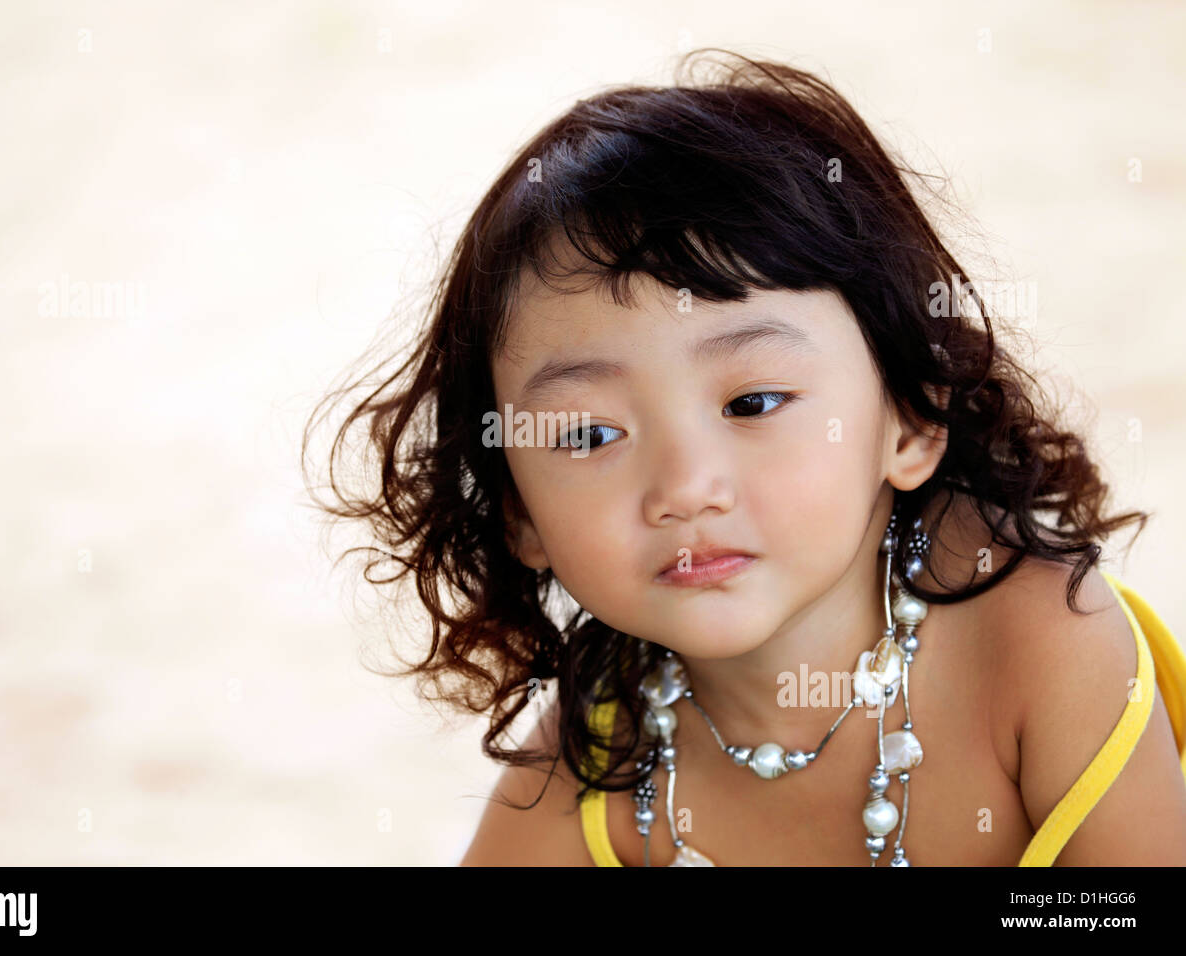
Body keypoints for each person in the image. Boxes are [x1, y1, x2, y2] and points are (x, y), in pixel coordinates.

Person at [305, 49, 1186, 865]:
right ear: (520, 512)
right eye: (588, 435)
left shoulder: (1037, 637)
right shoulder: (595, 763)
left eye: (753, 403)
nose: (685, 489)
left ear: (912, 420)